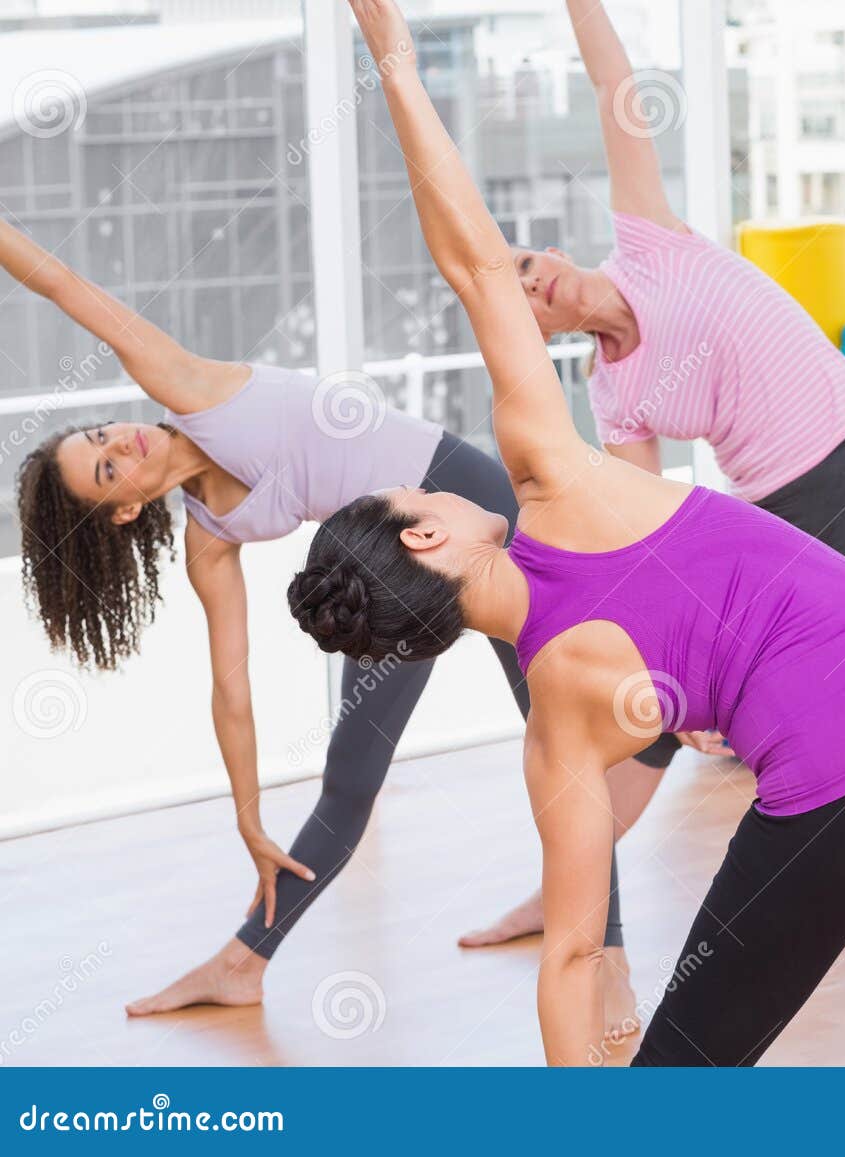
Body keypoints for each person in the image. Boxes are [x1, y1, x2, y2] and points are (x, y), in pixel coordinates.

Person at [309, 0, 845, 1067]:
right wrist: (391, 53)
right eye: (412, 497)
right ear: (426, 540)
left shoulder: (556, 730)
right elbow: (470, 262)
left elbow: (575, 956)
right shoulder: (568, 470)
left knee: (683, 1077)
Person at [1, 227, 658, 1036]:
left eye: (99, 436)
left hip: (459, 497)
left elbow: (65, 287)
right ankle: (245, 962)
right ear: (126, 507)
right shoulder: (209, 538)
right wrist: (247, 814)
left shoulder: (188, 387)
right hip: (394, 565)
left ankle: (613, 955)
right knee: (350, 777)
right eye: (105, 469)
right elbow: (231, 688)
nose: (118, 443)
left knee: (559, 735)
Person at [458, 0, 845, 954]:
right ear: (534, 334)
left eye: (530, 265)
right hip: (773, 509)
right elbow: (639, 533)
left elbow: (622, 99)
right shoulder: (614, 398)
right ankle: (569, 891)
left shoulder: (651, 242)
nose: (538, 285)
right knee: (648, 715)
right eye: (524, 299)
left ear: (557, 254)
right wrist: (665, 668)